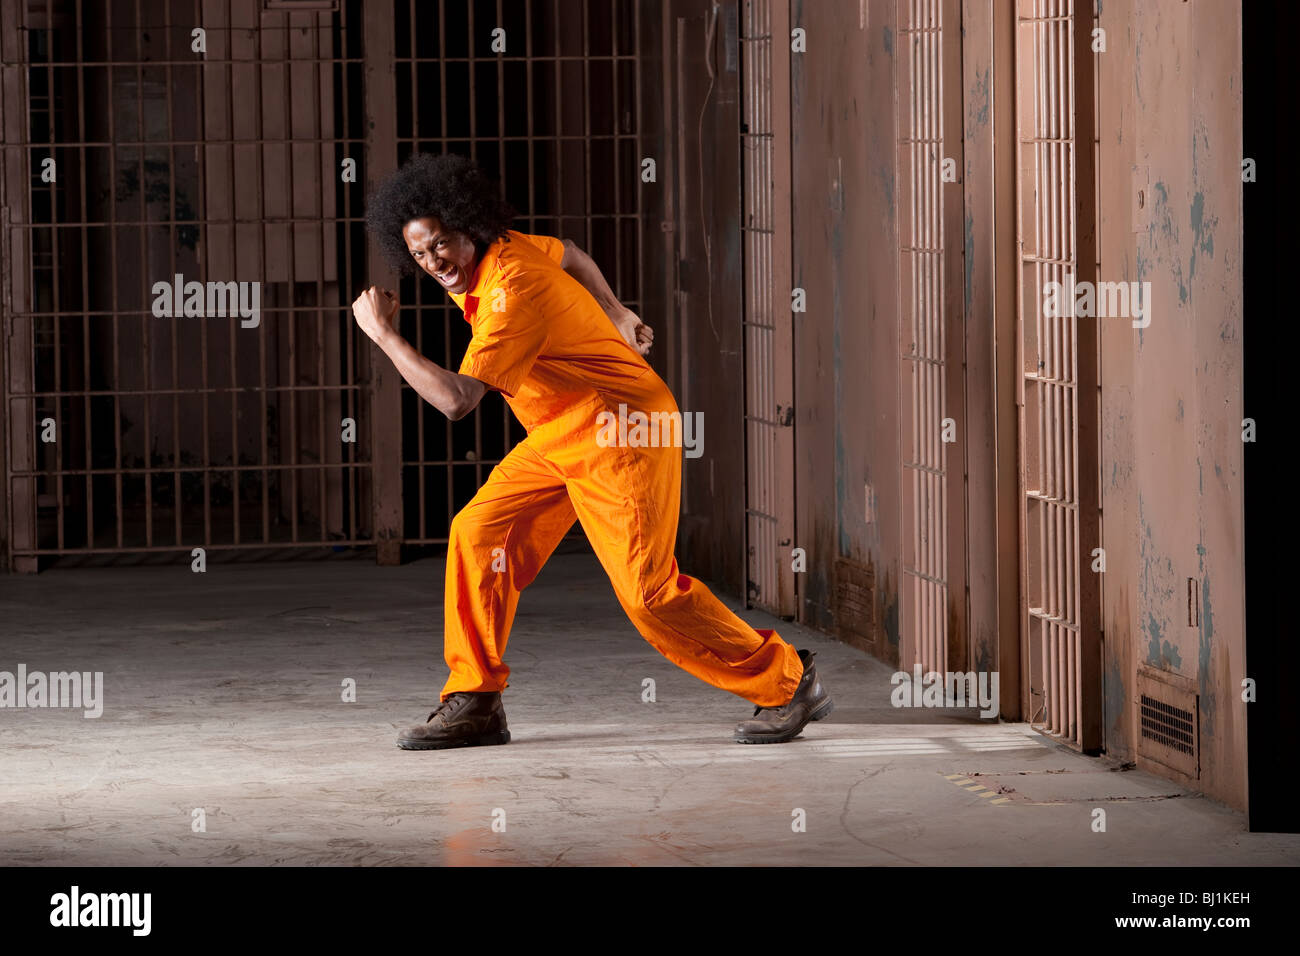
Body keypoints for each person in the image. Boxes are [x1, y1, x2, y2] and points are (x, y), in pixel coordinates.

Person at [354, 153, 832, 749]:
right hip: (561, 429)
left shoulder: (510, 291)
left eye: (442, 244)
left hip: (622, 428)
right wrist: (615, 309)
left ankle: (787, 680)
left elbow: (456, 400)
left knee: (648, 592)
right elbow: (573, 252)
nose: (434, 264)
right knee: (478, 533)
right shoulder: (504, 247)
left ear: (468, 229)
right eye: (420, 254)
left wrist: (384, 334)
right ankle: (475, 698)